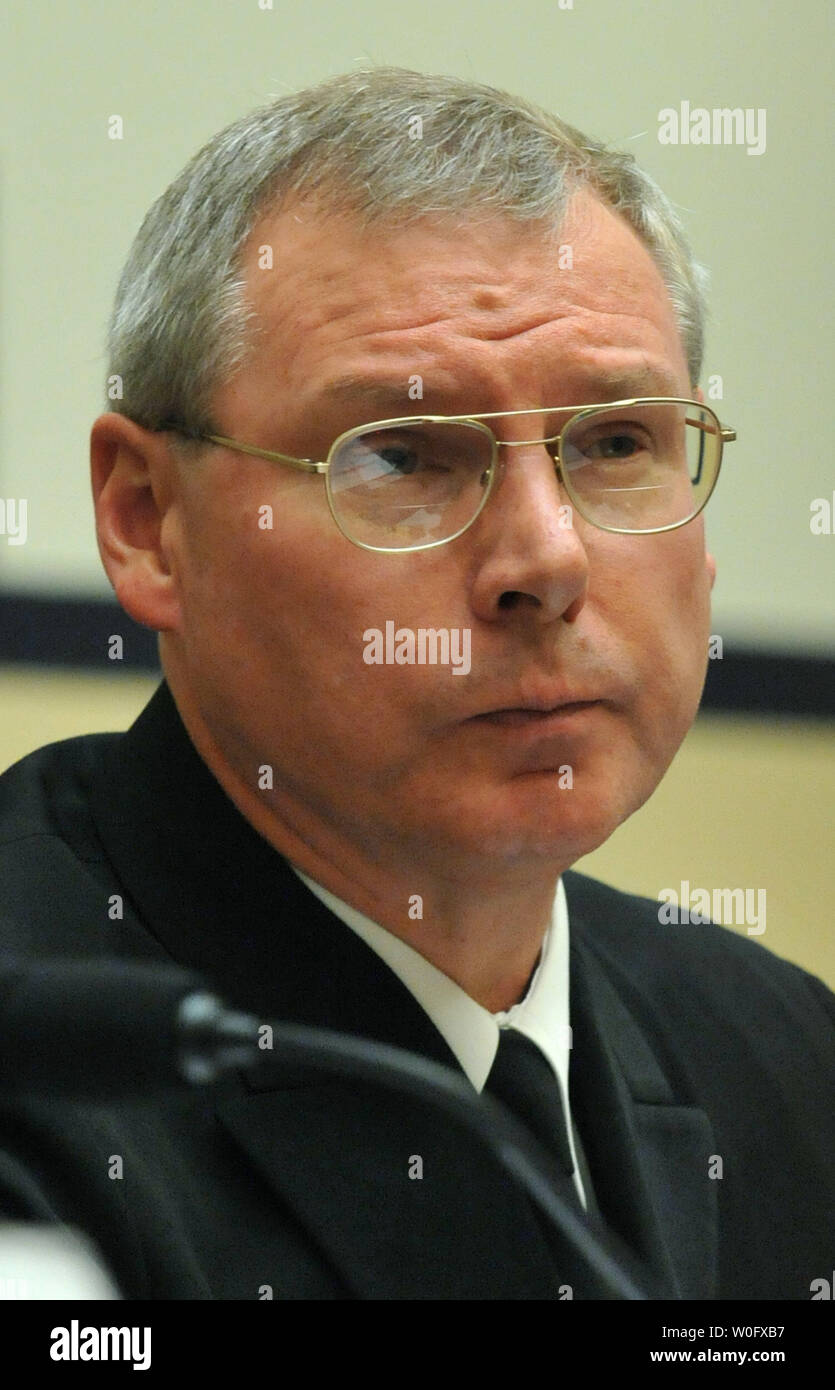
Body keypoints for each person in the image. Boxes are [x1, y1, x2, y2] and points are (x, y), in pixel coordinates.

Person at [0, 66, 832, 1301]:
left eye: (614, 443)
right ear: (147, 519)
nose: (545, 560)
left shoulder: (788, 1057)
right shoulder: (42, 1066)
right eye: (401, 455)